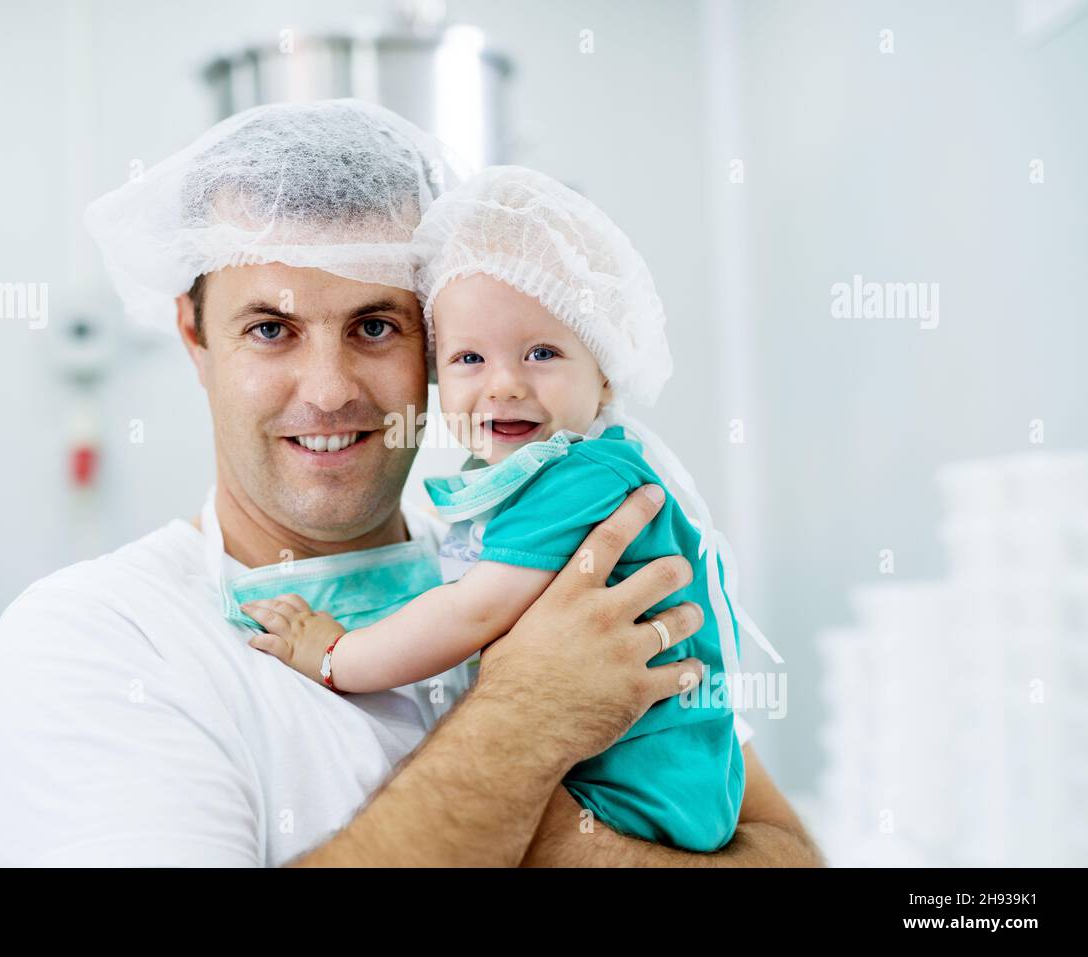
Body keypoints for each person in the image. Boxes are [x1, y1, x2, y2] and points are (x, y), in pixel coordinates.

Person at [0, 99, 822, 867]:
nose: (330, 388)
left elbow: (784, 855)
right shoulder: (101, 638)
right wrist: (525, 719)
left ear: (437, 343)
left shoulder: (564, 562)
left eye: (376, 325)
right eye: (271, 328)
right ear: (194, 337)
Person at [242, 165, 785, 852]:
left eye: (542, 352)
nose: (504, 384)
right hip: (656, 779)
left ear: (606, 370)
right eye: (469, 357)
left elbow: (475, 610)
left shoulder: (581, 474)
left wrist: (334, 656)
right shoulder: (537, 475)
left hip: (638, 790)